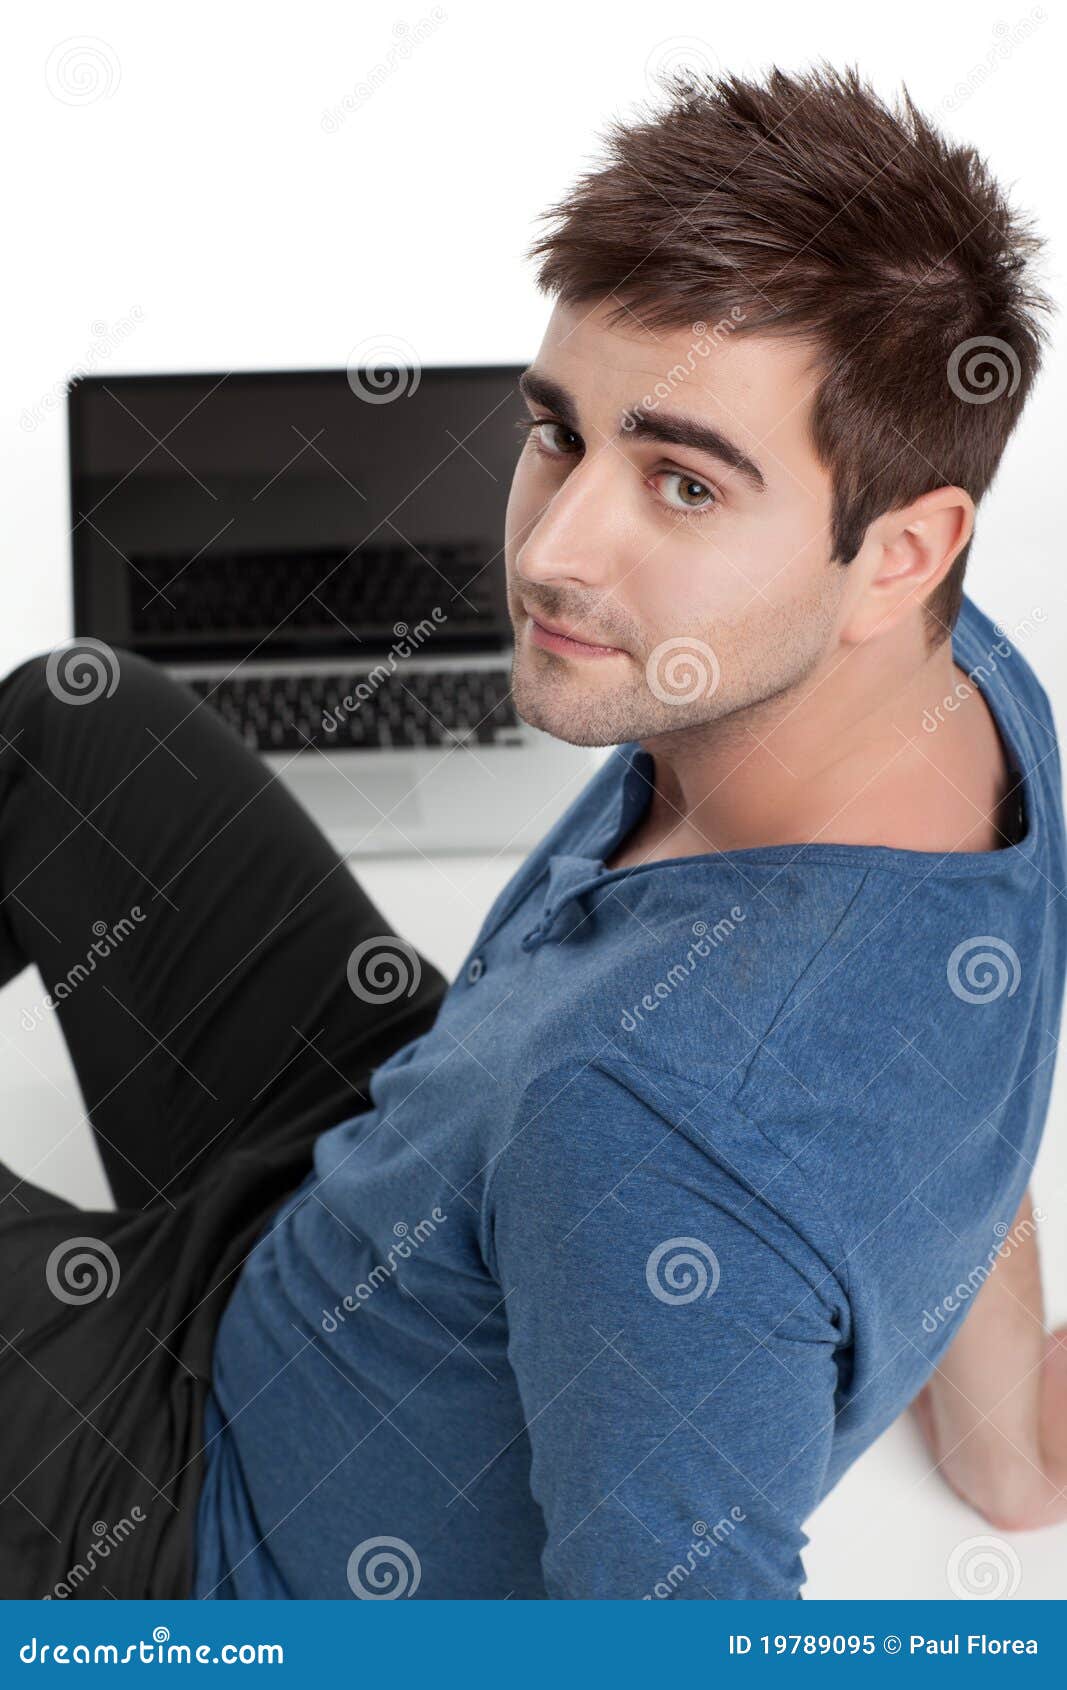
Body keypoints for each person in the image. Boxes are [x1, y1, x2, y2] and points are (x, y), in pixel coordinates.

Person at [0, 63, 1063, 1601]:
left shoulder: (651, 1134)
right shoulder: (963, 685)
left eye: (684, 482)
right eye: (560, 434)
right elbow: (970, 1090)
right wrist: (1011, 1440)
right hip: (383, 1187)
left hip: (203, 1521)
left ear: (905, 548)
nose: (554, 551)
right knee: (72, 723)